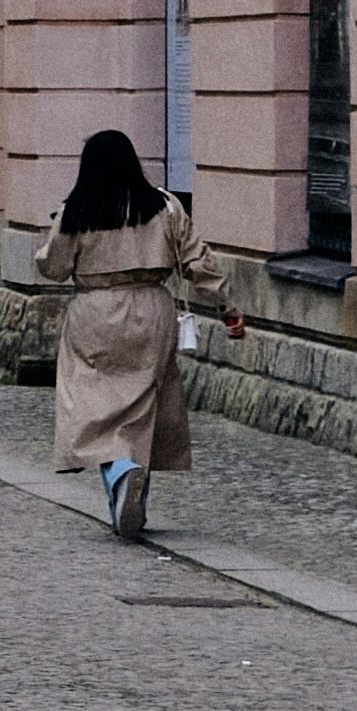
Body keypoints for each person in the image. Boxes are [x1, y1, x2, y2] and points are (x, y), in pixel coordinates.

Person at [33, 127, 239, 540]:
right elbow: (199, 261)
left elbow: (53, 267)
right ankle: (133, 477)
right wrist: (227, 309)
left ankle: (121, 471)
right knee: (145, 399)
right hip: (151, 307)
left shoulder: (78, 209)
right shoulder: (164, 206)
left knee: (90, 397)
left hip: (95, 309)